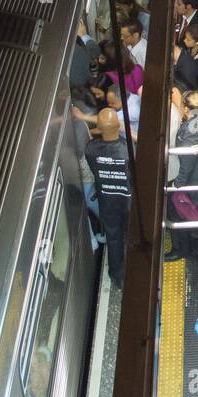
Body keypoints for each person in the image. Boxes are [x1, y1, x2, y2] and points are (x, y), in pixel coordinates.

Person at [84, 108, 131, 289]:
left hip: (107, 201)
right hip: (129, 201)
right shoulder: (129, 150)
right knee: (135, 236)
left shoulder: (91, 149)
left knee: (113, 237)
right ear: (119, 126)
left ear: (100, 129)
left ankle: (117, 276)